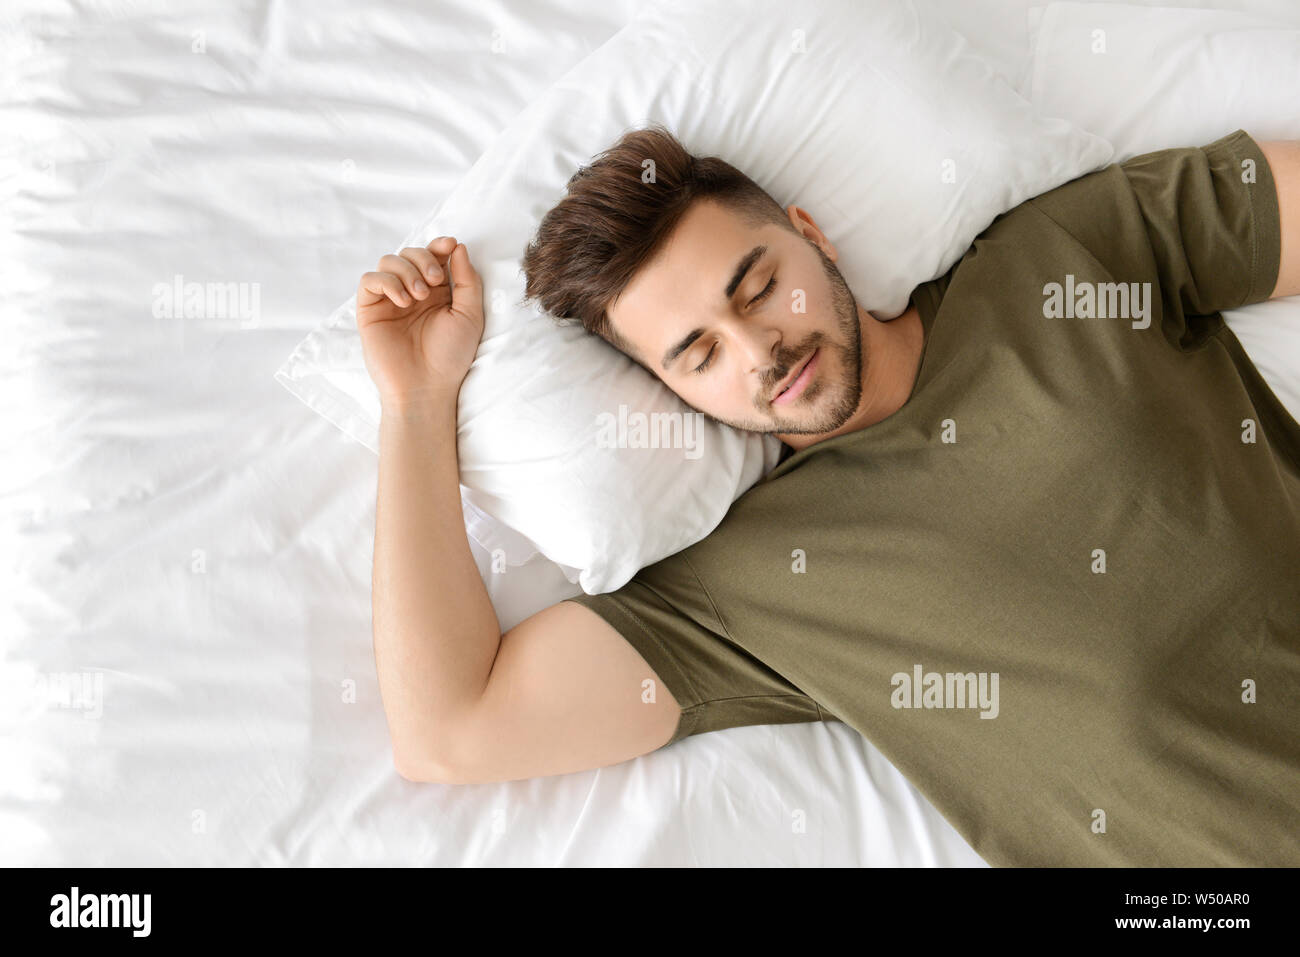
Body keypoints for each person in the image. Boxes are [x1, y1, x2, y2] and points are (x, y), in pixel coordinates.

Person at [356, 123, 1300, 866]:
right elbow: (450, 728)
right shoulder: (751, 581)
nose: (759, 347)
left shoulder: (1054, 257)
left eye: (759, 287)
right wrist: (415, 401)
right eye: (698, 352)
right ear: (674, 392)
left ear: (812, 237)